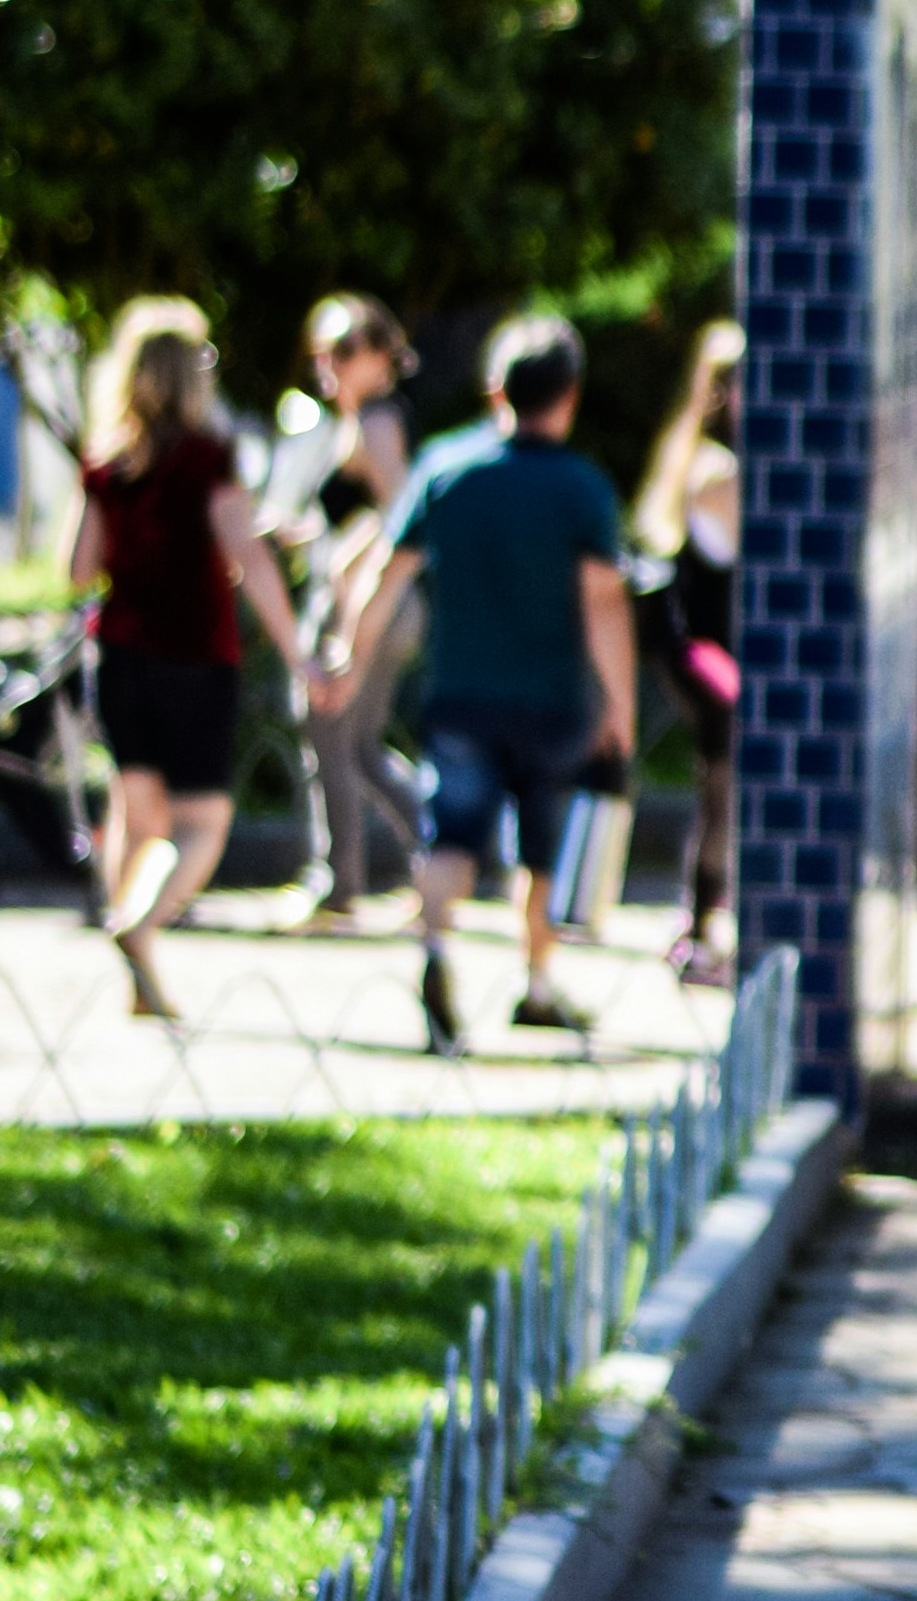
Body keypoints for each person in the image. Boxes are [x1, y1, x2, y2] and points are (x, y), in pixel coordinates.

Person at [324, 311, 636, 1056]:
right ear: (569, 395)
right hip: (552, 696)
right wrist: (619, 701)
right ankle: (535, 981)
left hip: (459, 691)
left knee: (452, 833)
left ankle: (435, 950)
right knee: (540, 848)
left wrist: (347, 656)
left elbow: (384, 575)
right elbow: (602, 603)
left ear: (495, 388)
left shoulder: (444, 469)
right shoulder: (581, 489)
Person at [70, 303, 308, 1018]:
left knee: (135, 814)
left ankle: (136, 982)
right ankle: (138, 924)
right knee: (199, 821)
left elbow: (78, 567)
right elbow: (249, 558)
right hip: (195, 654)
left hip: (119, 655)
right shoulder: (209, 457)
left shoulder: (107, 463)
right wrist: (299, 652)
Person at [276, 293, 417, 923]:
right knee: (353, 744)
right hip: (364, 600)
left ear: (379, 354)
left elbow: (400, 517)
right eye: (321, 352)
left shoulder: (379, 423)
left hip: (373, 604)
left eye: (342, 350)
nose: (327, 364)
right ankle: (431, 855)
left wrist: (339, 559)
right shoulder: (353, 422)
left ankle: (342, 879)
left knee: (334, 736)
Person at [631, 319, 742, 987]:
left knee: (721, 788)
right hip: (705, 654)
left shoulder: (703, 458)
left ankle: (702, 925)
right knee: (726, 784)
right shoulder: (716, 468)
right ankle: (701, 930)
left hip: (712, 654)